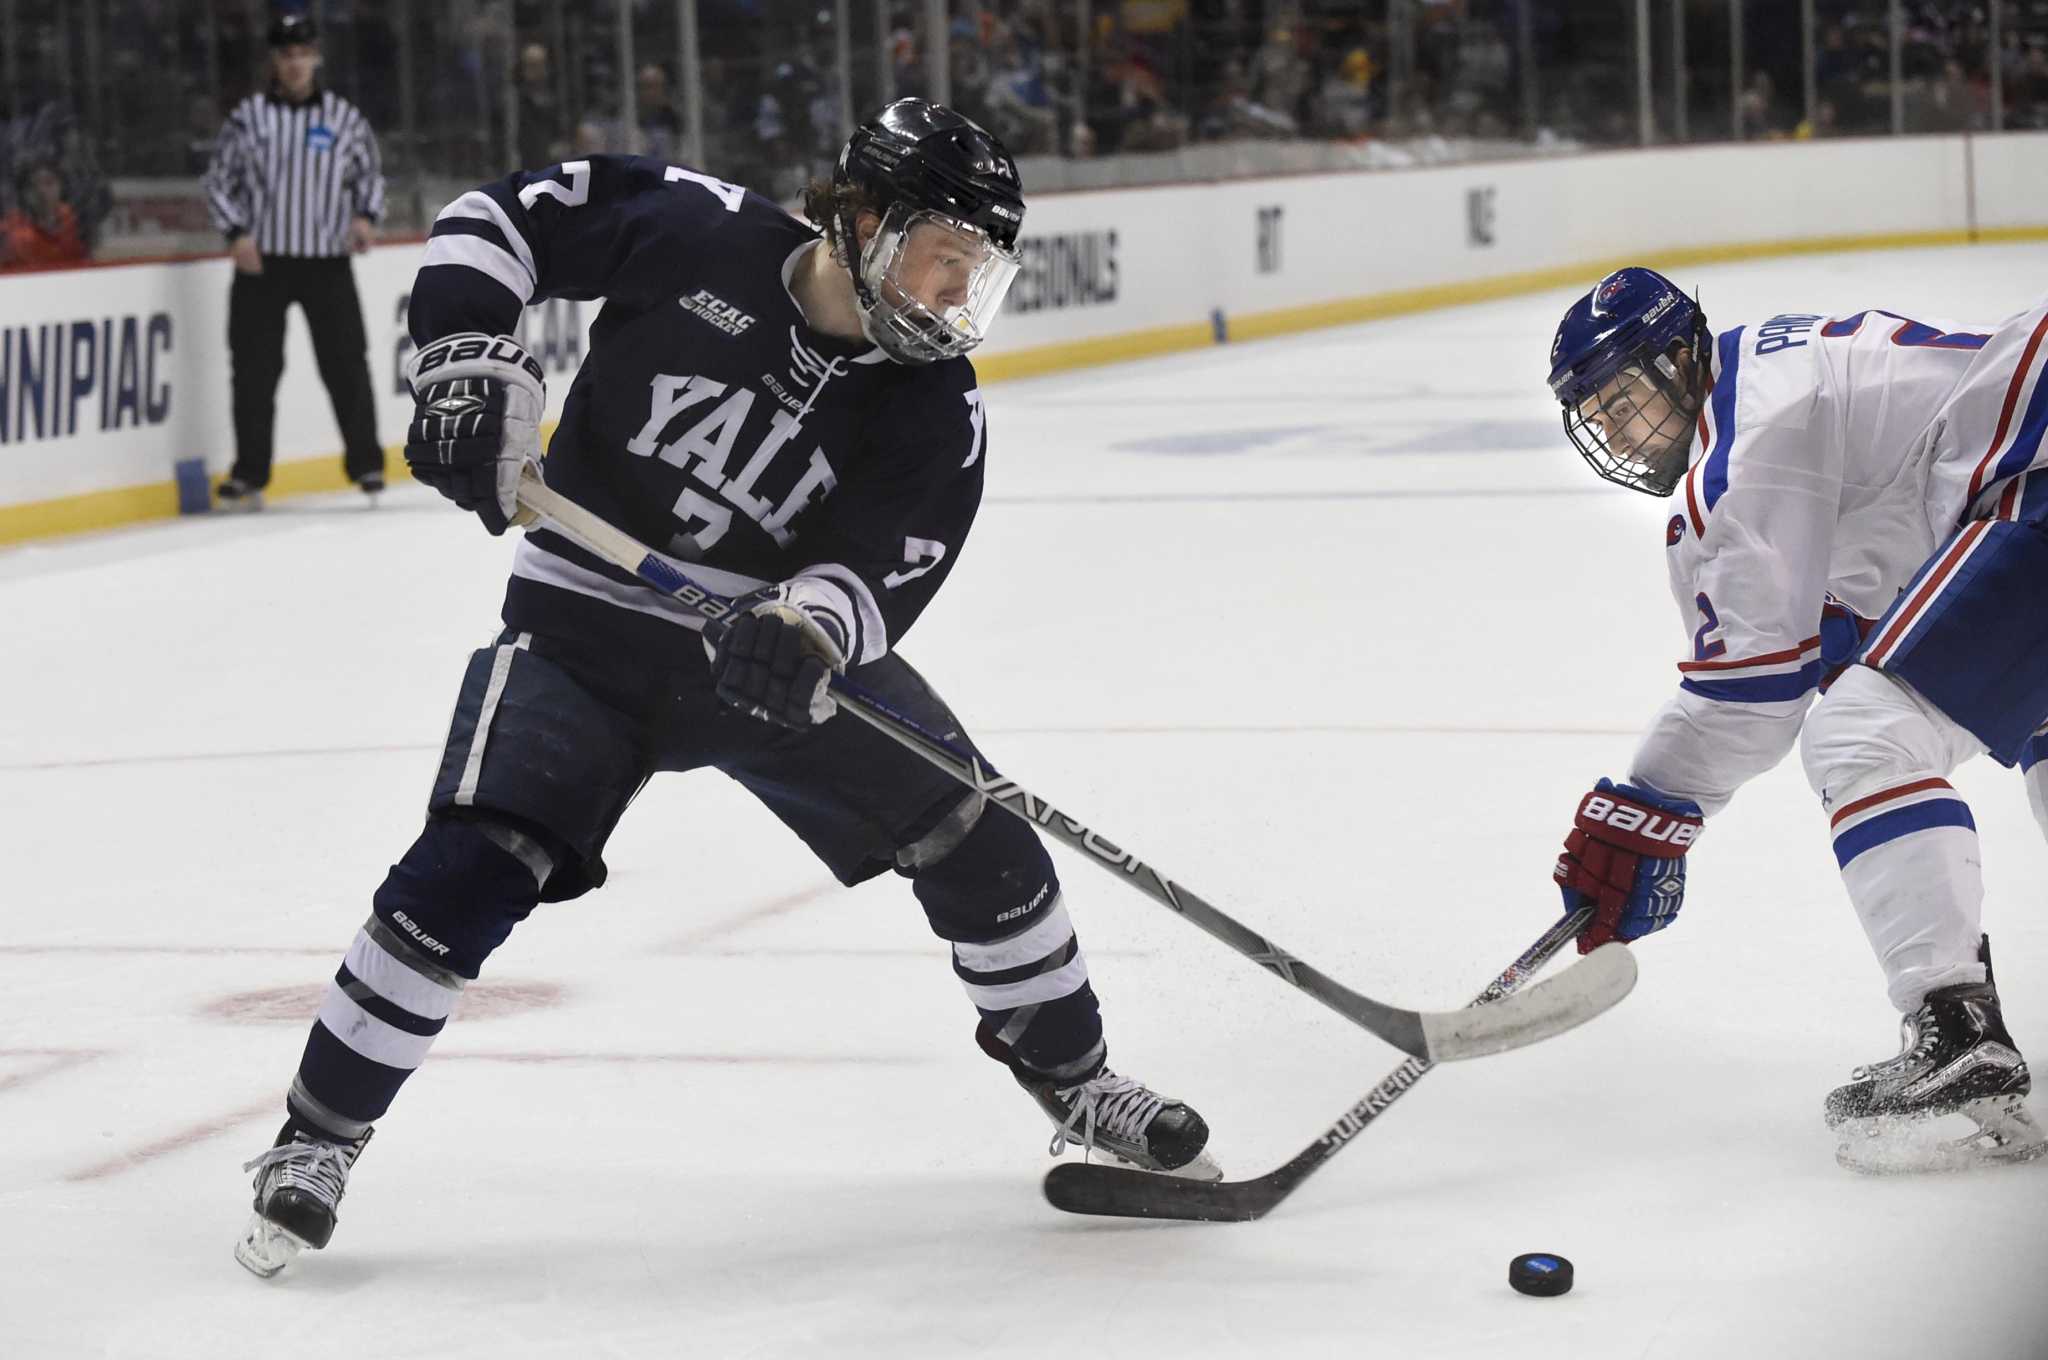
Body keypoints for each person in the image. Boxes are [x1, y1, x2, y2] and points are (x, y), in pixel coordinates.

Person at [232, 99, 1218, 1279]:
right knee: (476, 861)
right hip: (584, 622)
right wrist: (463, 353)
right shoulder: (693, 229)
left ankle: (1076, 1079)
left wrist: (808, 626)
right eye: (936, 256)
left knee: (979, 833)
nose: (954, 295)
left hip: (765, 662)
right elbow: (489, 219)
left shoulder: (934, 408)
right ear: (855, 218)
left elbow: (883, 566)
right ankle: (317, 1138)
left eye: (973, 271)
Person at [1543, 266, 2048, 1173]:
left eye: (1623, 397)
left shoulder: (1750, 441)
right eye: (1598, 415)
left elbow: (1754, 690)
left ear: (1677, 361)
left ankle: (1956, 1028)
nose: (1616, 429)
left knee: (1864, 732)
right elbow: (1865, 602)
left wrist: (1645, 813)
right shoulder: (1782, 384)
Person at [202, 12, 387, 510]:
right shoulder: (248, 119)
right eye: (287, 54)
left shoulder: (344, 119)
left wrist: (365, 217)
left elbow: (369, 175)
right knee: (255, 372)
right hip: (262, 264)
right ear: (274, 60)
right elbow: (219, 181)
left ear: (316, 57)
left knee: (347, 364)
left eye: (303, 53)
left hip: (326, 260)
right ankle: (250, 472)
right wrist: (235, 232)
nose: (296, 63)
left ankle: (366, 463)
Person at [0, 160, 87, 269]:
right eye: (33, 185)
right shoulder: (8, 231)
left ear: (61, 186)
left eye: (49, 182)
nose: (41, 191)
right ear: (23, 193)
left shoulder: (76, 220)